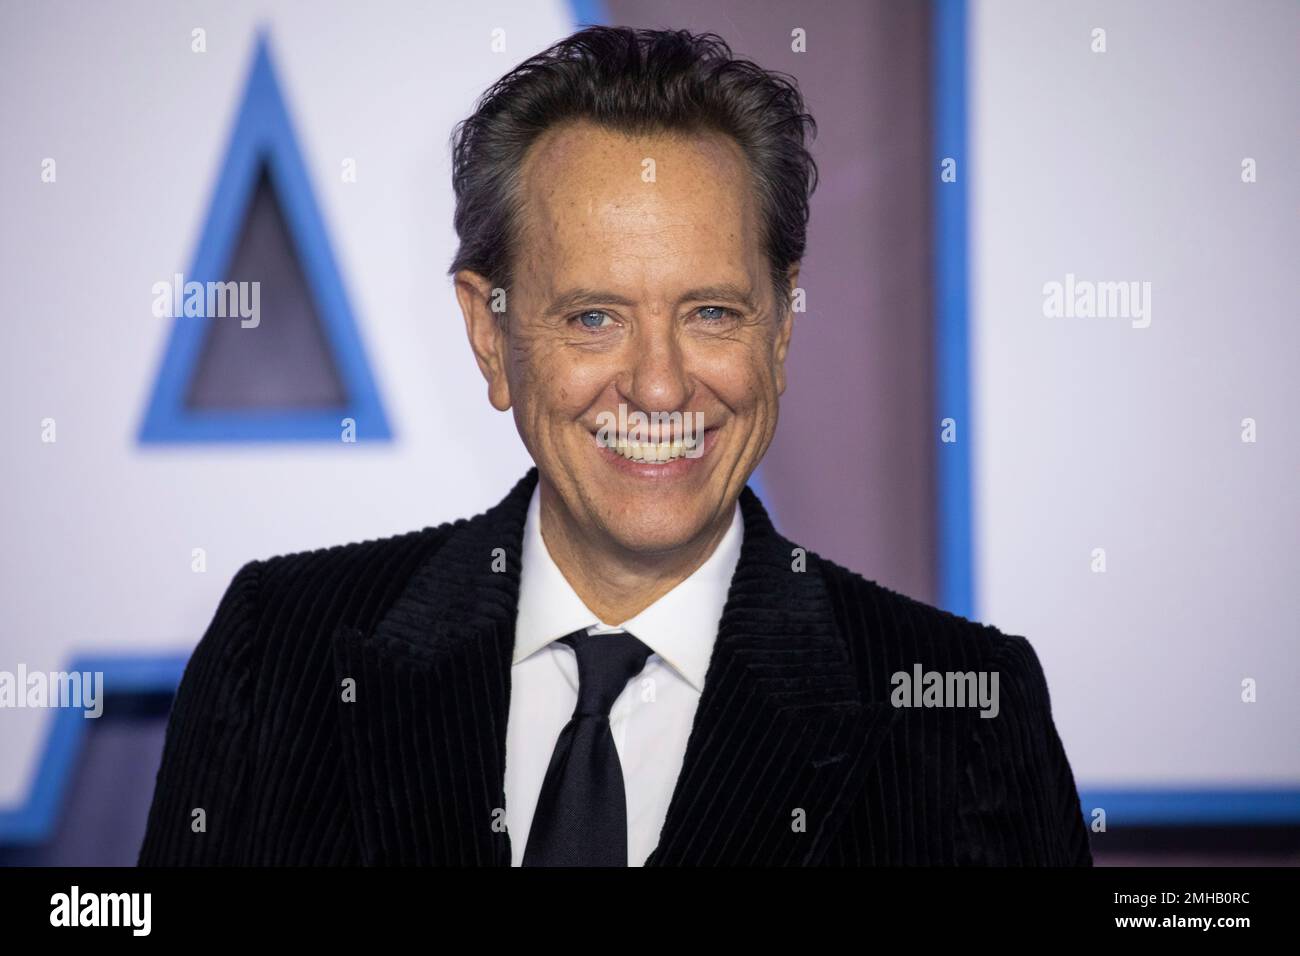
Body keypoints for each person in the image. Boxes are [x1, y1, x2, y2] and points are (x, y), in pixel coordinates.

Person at [139, 25, 1091, 867]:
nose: (662, 385)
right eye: (595, 317)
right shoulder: (282, 657)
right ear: (489, 333)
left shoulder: (966, 717)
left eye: (712, 312)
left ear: (781, 328)